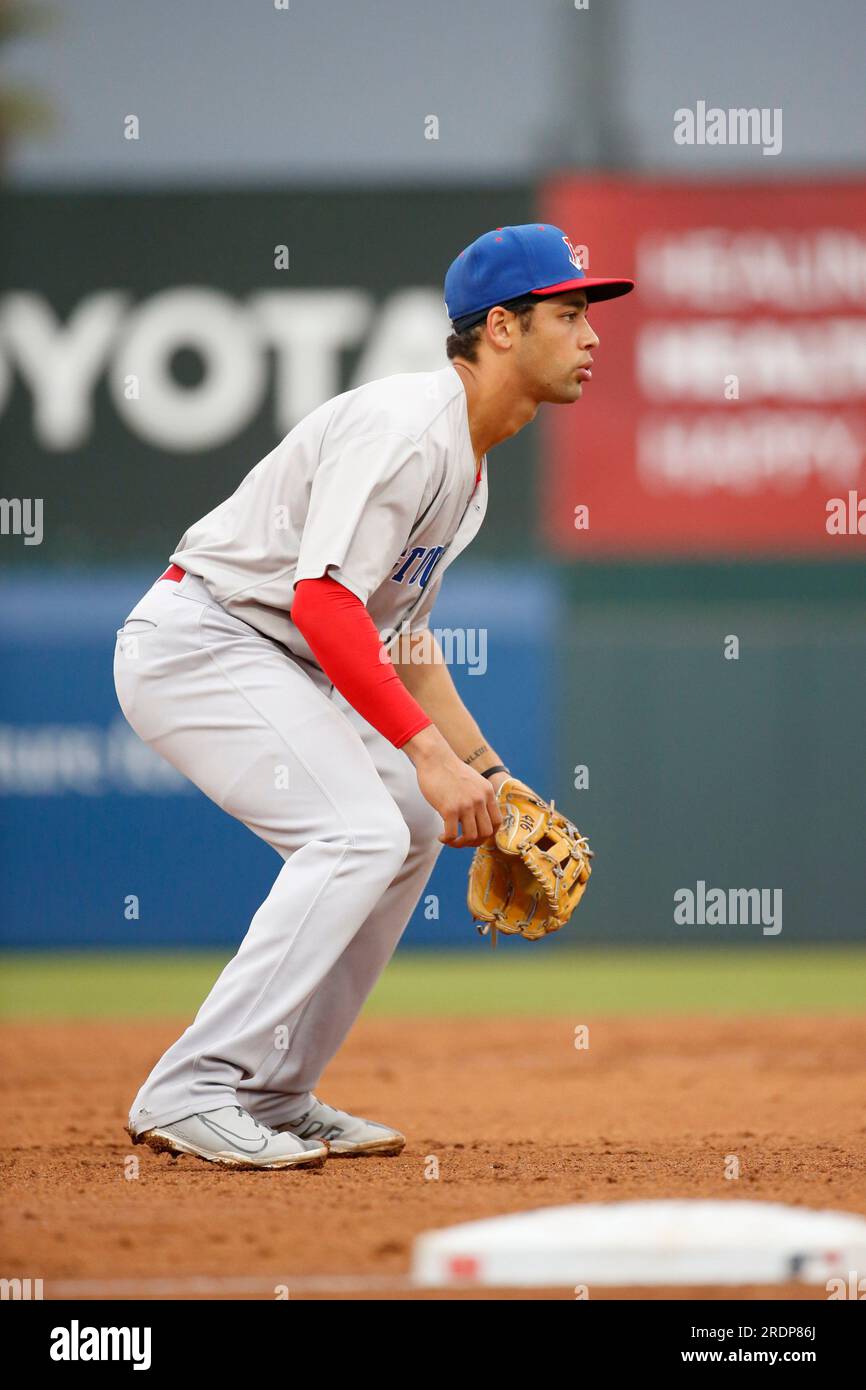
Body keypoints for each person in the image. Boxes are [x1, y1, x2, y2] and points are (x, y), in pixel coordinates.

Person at [113, 222, 634, 1170]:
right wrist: (428, 757)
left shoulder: (468, 470)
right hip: (205, 638)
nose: (593, 335)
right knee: (357, 829)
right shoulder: (408, 430)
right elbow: (321, 601)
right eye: (569, 313)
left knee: (407, 823)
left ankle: (274, 1090)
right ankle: (189, 1087)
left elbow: (401, 640)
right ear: (502, 330)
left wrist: (489, 774)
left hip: (265, 652)